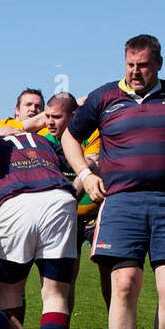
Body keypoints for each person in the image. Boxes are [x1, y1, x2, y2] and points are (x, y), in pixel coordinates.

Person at [62, 34, 165, 329]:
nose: (136, 72)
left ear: (158, 64)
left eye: (143, 65)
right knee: (124, 285)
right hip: (121, 204)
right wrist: (87, 175)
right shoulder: (104, 97)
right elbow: (70, 139)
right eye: (130, 65)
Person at [0, 124, 78, 329]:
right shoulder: (42, 139)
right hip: (60, 199)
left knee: (10, 292)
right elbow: (80, 159)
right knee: (56, 295)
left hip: (17, 202)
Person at [44, 92, 110, 314]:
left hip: (95, 214)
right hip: (66, 217)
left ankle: (116, 328)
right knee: (66, 277)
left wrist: (68, 198)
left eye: (57, 117)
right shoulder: (44, 138)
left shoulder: (93, 135)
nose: (50, 122)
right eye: (48, 116)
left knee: (109, 272)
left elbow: (91, 164)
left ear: (73, 116)